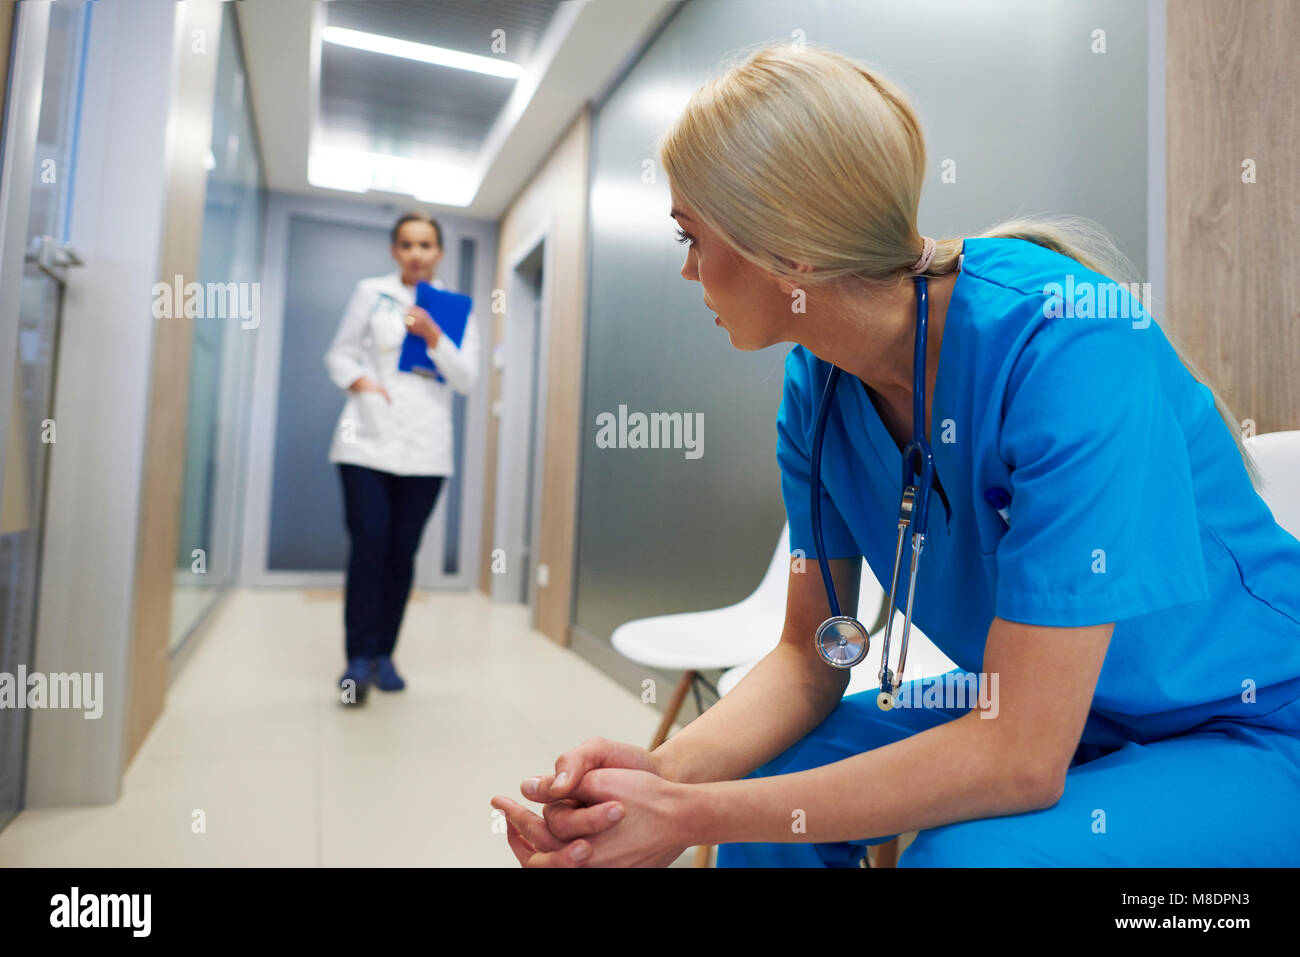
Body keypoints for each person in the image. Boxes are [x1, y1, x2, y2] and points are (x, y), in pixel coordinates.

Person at [490, 43, 1300, 866]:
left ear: (790, 249)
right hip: (1027, 704)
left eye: (691, 236)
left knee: (968, 861)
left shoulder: (1068, 343)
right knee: (773, 780)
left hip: (1239, 718)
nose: (690, 268)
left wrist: (686, 817)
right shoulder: (819, 387)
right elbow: (814, 654)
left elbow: (1019, 756)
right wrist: (656, 780)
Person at [324, 211, 479, 704]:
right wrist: (362, 382)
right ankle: (357, 660)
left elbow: (467, 379)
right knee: (369, 545)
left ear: (439, 253)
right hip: (366, 440)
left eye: (426, 245)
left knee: (401, 553)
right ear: (395, 251)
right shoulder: (371, 293)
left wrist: (434, 336)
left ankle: (386, 654)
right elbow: (340, 354)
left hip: (426, 450)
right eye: (408, 244)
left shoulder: (455, 309)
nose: (417, 253)